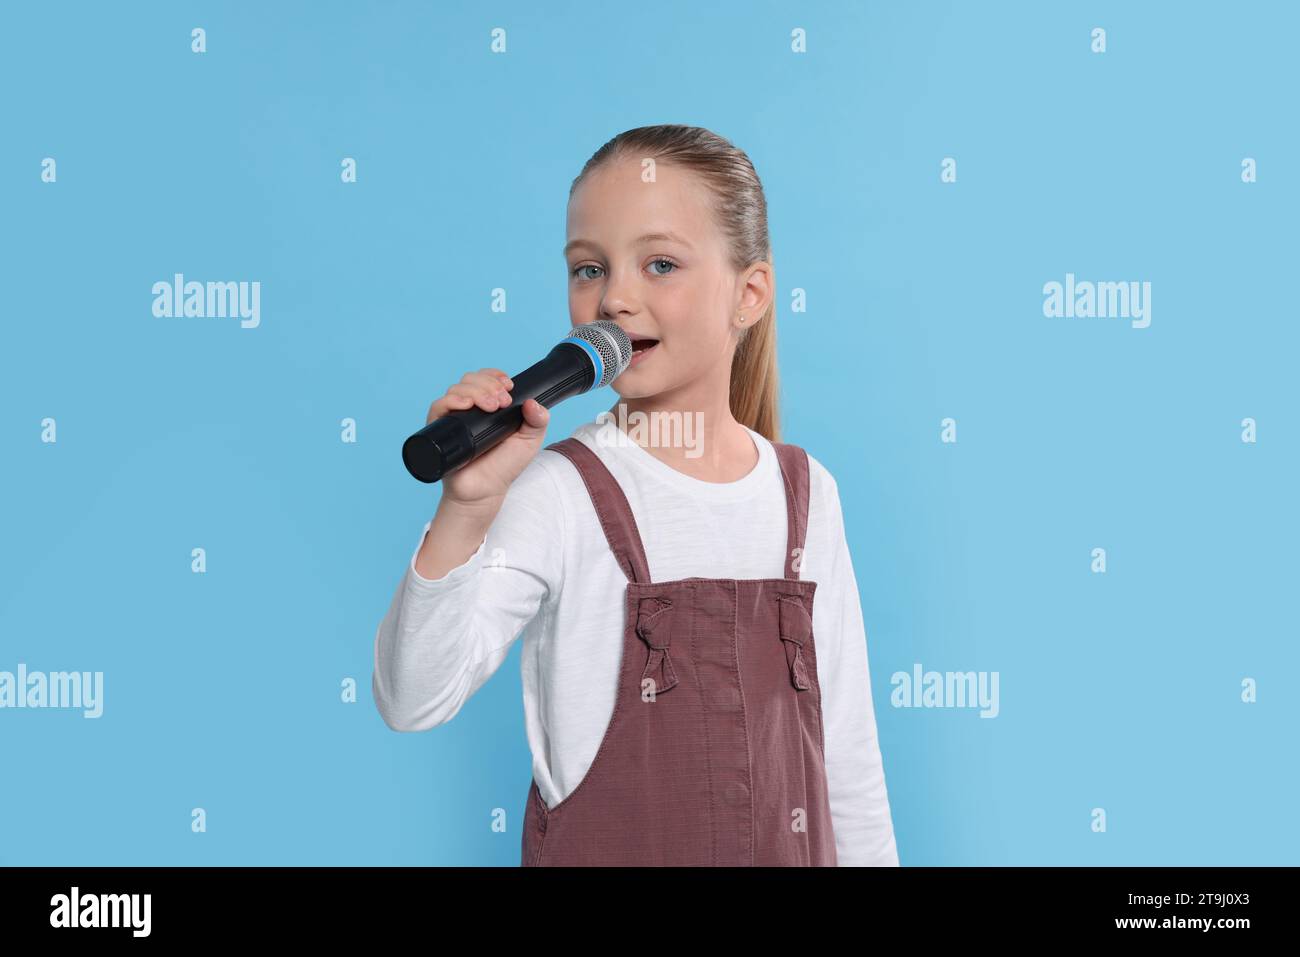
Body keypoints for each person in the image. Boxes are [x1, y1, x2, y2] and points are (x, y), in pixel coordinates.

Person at [373, 124, 898, 866]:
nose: (615, 296)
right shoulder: (560, 491)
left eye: (659, 264)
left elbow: (847, 765)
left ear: (748, 294)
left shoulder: (806, 496)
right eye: (588, 268)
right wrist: (465, 507)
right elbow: (410, 696)